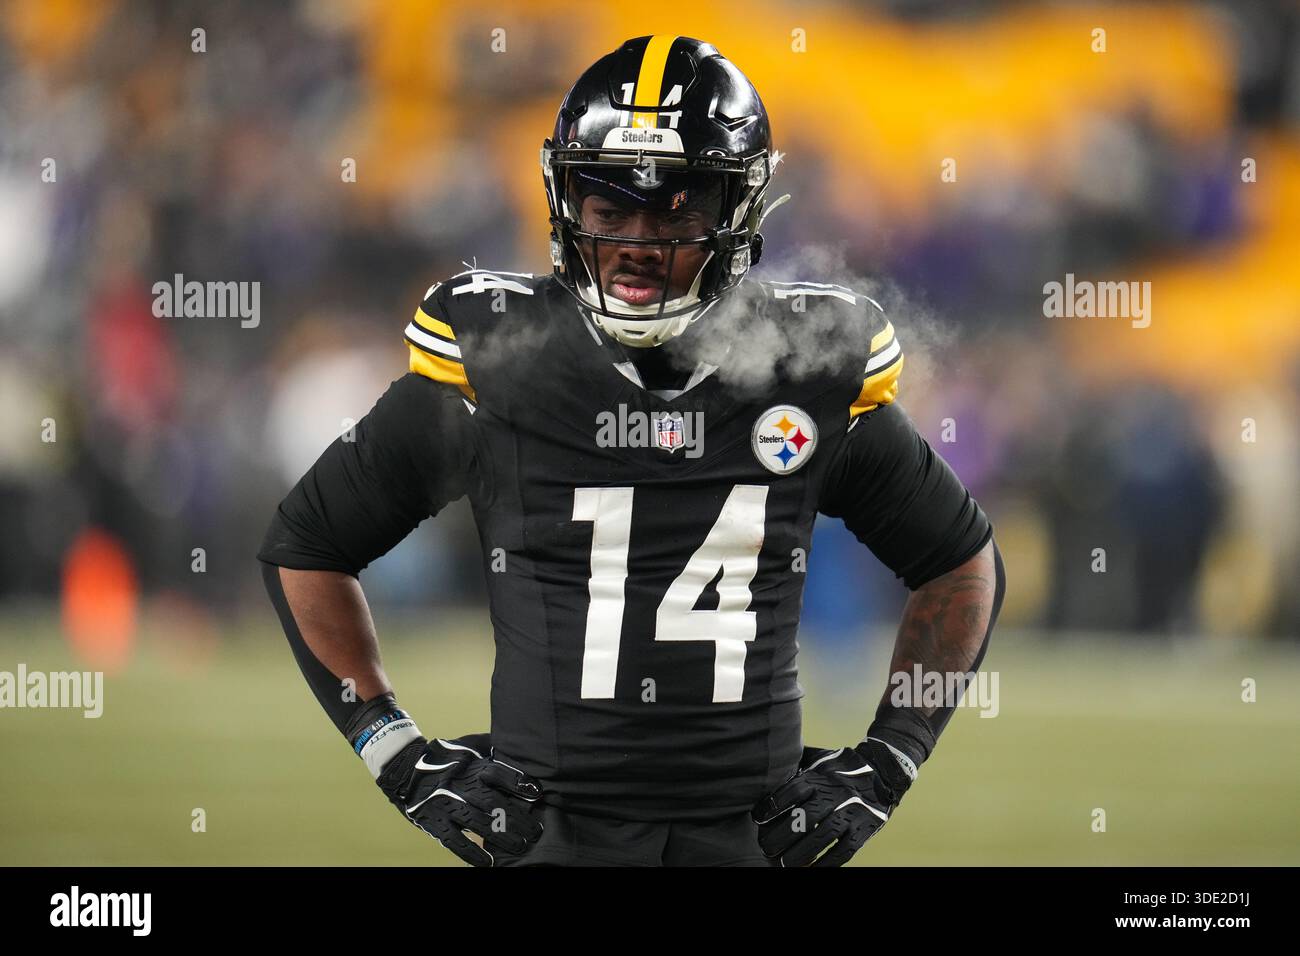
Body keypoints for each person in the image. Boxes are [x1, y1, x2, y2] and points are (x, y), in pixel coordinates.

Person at [258, 35, 1005, 867]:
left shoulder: (805, 364)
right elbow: (310, 546)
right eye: (611, 209)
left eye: (676, 210)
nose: (639, 244)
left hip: (753, 837)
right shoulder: (501, 357)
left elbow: (958, 561)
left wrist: (893, 755)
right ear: (566, 200)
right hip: (546, 834)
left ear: (738, 210)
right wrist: (391, 750)